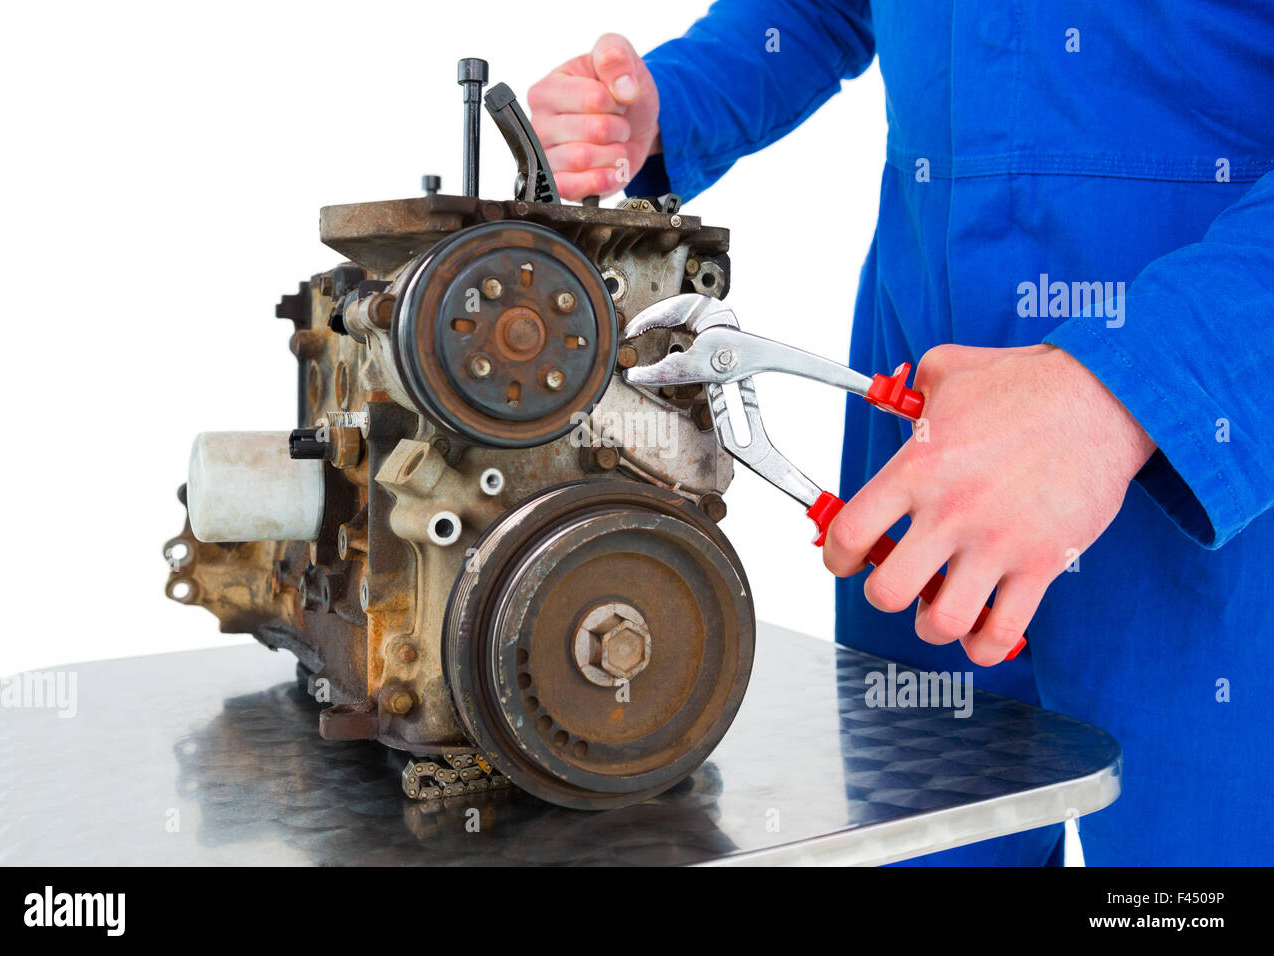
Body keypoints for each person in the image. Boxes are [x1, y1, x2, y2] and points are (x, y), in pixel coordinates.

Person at [528, 2, 1274, 866]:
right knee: (925, 842)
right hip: (925, 428)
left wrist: (1133, 387)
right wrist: (673, 103)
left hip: (1213, 458)